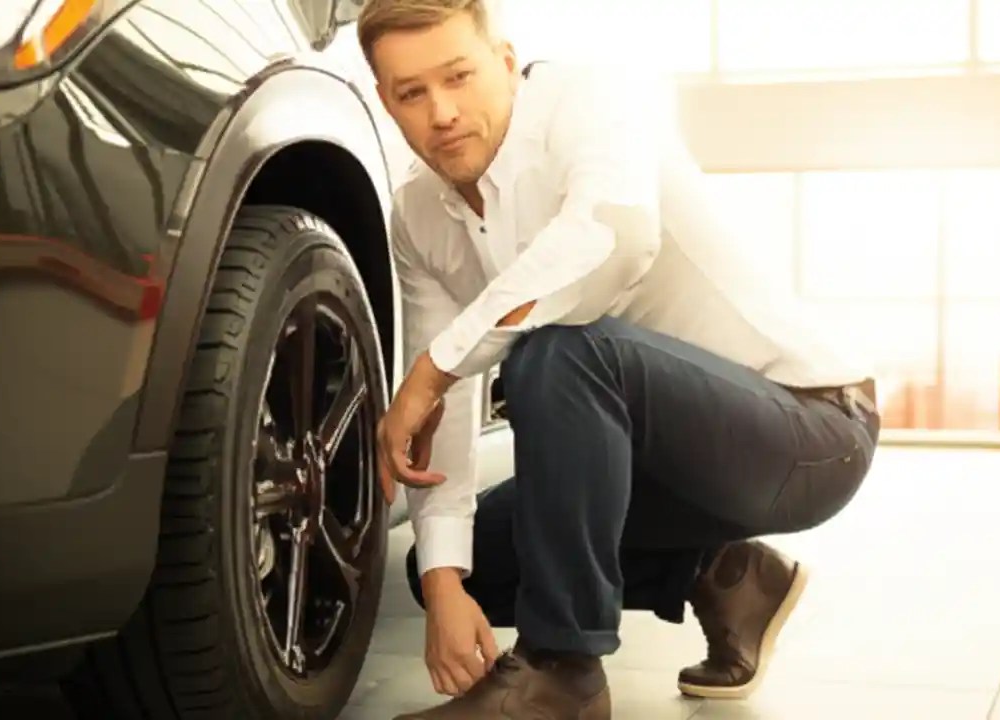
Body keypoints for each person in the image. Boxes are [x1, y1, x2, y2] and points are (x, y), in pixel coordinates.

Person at [360, 0, 881, 717]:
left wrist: (432, 368)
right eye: (411, 93)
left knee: (557, 351)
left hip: (810, 429)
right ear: (385, 102)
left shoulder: (587, 98)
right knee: (451, 561)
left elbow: (613, 239)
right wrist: (446, 583)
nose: (442, 112)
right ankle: (727, 572)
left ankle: (561, 674)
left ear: (505, 64)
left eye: (459, 77)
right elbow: (437, 418)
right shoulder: (417, 216)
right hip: (657, 461)